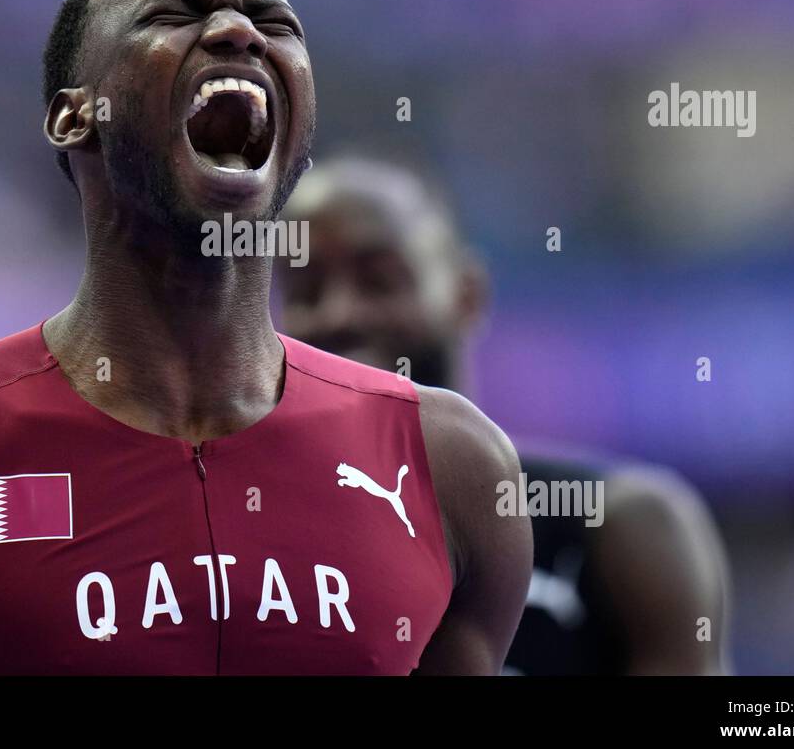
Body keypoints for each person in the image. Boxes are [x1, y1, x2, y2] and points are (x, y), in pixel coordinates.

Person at [0, 0, 532, 674]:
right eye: (176, 12)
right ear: (73, 116)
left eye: (275, 23)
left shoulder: (452, 465)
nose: (239, 30)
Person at [279, 158, 730, 674]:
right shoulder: (259, 535)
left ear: (466, 295)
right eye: (306, 291)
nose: (341, 313)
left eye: (380, 281)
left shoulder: (623, 528)